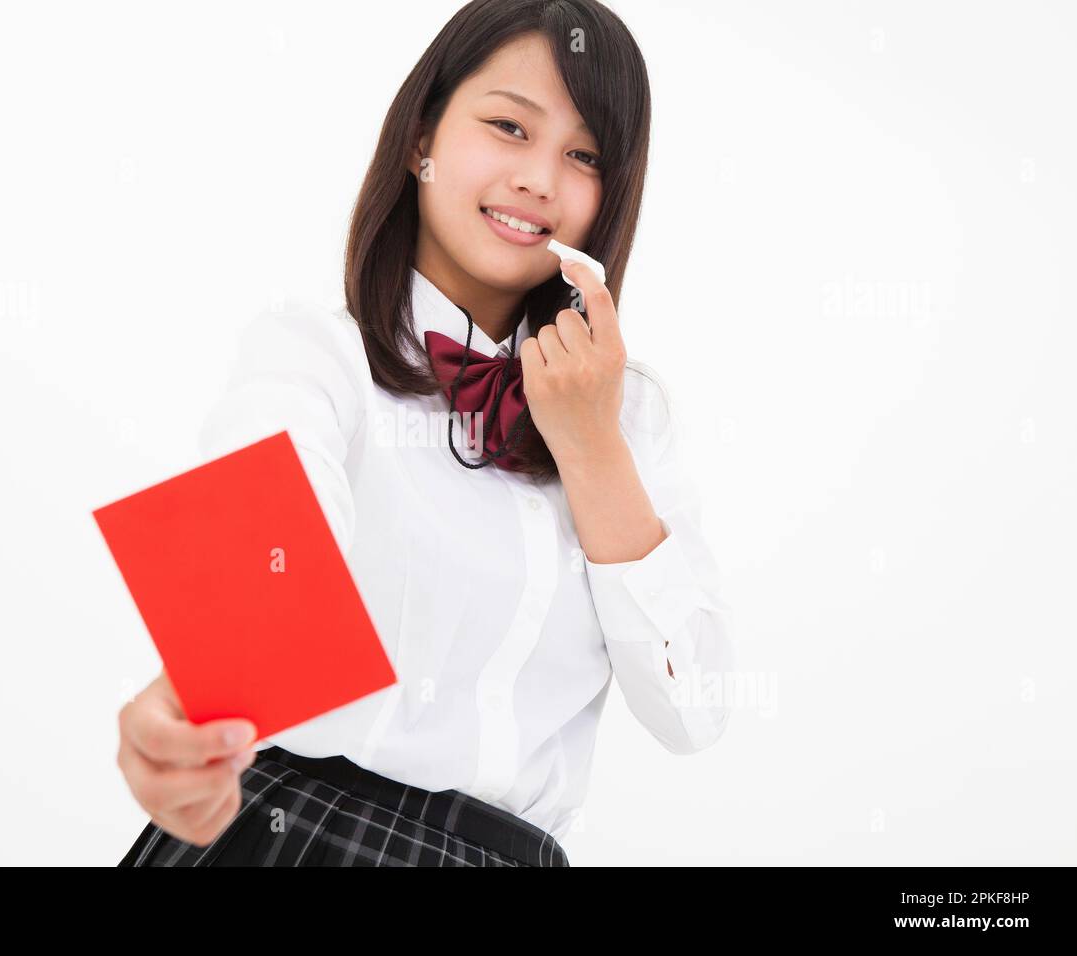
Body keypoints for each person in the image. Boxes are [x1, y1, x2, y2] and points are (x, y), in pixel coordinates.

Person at [117, 0, 734, 867]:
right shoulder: (317, 353)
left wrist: (592, 446)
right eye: (509, 127)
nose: (540, 180)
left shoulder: (629, 420)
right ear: (422, 141)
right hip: (300, 836)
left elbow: (694, 708)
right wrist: (184, 703)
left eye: (585, 154)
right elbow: (270, 533)